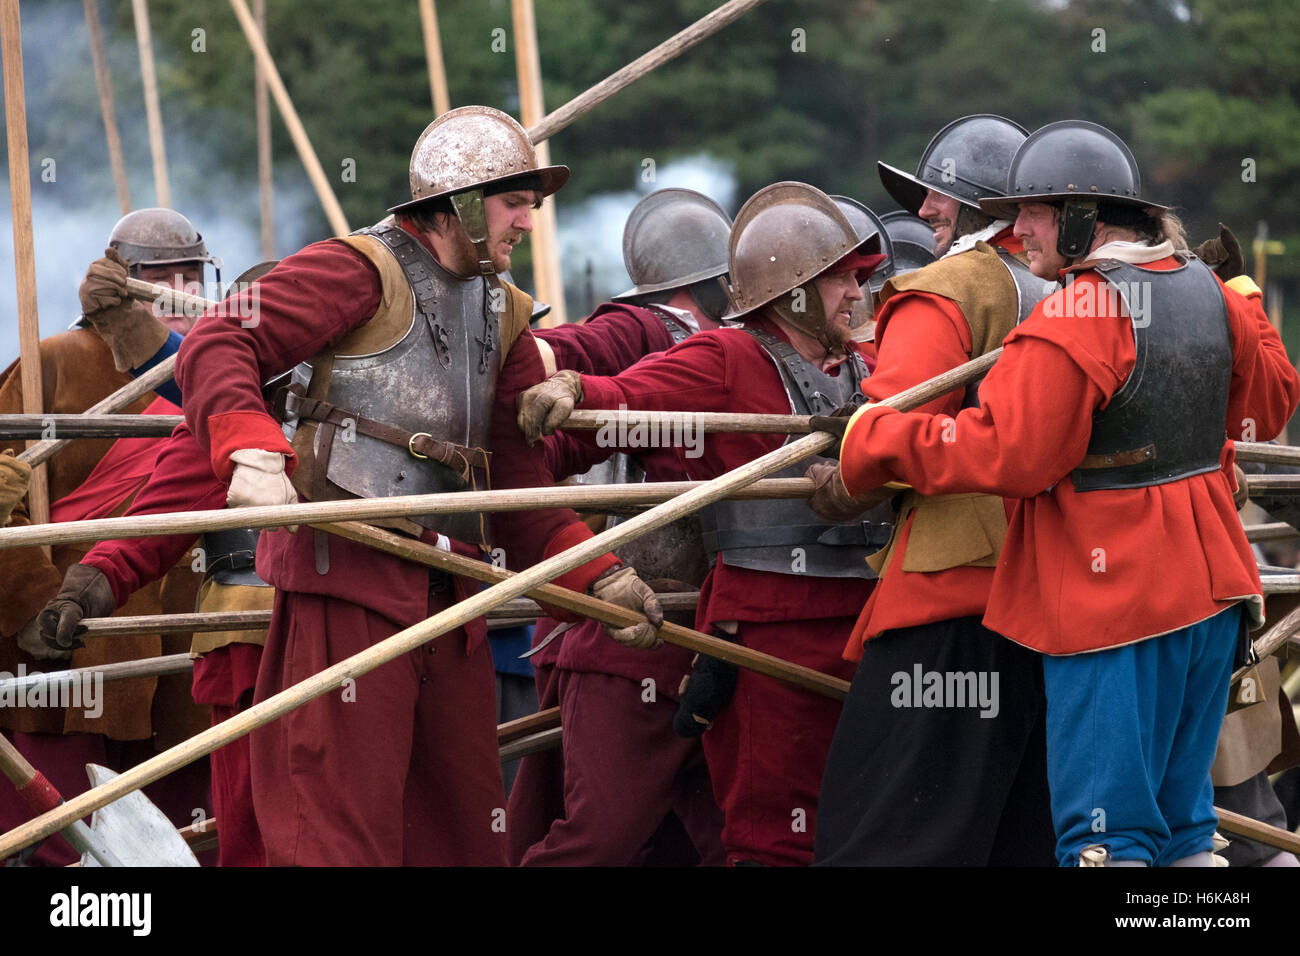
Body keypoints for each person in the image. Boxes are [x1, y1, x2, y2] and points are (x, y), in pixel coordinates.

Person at [171, 105, 660, 866]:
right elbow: (222, 335)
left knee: (460, 835)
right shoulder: (357, 268)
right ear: (460, 204)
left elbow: (516, 485)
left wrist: (598, 575)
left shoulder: (504, 314)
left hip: (450, 600)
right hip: (349, 590)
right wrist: (250, 452)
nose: (526, 224)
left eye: (529, 206)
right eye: (514, 204)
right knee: (334, 836)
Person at [833, 120, 1300, 866]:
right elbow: (1268, 406)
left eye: (1035, 213)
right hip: (1211, 601)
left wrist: (877, 439)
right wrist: (1241, 288)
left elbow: (1010, 453)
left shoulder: (1079, 314)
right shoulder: (1214, 294)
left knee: (1106, 841)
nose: (1017, 229)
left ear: (1085, 218)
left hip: (1112, 605)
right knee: (1182, 833)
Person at [518, 182, 891, 866]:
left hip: (865, 628)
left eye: (861, 279)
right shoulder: (729, 357)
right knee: (770, 836)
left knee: (855, 830)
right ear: (794, 292)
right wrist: (576, 389)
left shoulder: (873, 369)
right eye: (842, 279)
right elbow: (635, 398)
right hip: (767, 630)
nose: (857, 295)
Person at [812, 114, 1058, 867]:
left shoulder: (947, 286)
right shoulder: (1077, 294)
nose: (923, 213)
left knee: (882, 841)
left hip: (950, 604)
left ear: (987, 205)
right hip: (1050, 606)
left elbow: (888, 434)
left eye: (940, 199)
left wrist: (839, 478)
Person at [510, 187, 733, 866]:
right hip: (627, 629)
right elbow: (566, 351)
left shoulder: (740, 350)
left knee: (707, 843)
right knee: (598, 838)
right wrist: (508, 362)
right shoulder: (653, 329)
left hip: (701, 637)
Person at [0, 208, 220, 865]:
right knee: (56, 852)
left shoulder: (212, 376)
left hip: (174, 661)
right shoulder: (55, 364)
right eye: (161, 277)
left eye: (192, 276)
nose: (180, 292)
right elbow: (4, 506)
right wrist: (38, 605)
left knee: (177, 849)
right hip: (64, 664)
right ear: (123, 284)